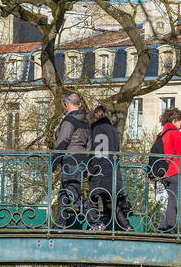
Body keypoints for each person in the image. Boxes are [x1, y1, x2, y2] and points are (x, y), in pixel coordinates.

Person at [53, 93, 91, 230]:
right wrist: (87, 165)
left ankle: (95, 221)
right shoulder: (86, 122)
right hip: (81, 160)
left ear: (66, 104)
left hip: (70, 160)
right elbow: (89, 145)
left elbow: (62, 141)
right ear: (80, 105)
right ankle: (59, 224)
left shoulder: (68, 121)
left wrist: (54, 161)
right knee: (64, 193)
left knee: (72, 193)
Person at [87, 104, 127, 231]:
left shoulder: (96, 128)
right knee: (109, 200)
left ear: (96, 116)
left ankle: (94, 224)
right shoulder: (113, 130)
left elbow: (96, 151)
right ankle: (126, 225)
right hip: (112, 169)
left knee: (93, 197)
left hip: (99, 169)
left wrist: (91, 168)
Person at [156, 107, 181, 233]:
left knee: (171, 199)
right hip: (176, 171)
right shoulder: (175, 133)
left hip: (163, 173)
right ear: (175, 120)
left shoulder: (160, 135)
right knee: (174, 200)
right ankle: (170, 226)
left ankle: (163, 225)